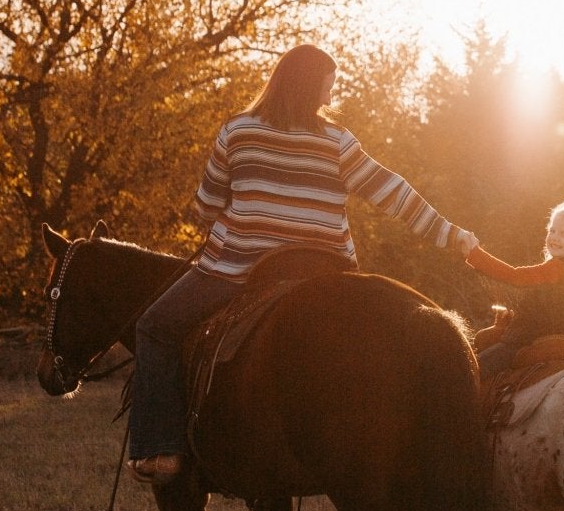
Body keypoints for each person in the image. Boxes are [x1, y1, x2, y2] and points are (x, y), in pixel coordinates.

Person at [127, 44, 481, 483]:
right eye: (326, 87)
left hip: (241, 268)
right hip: (324, 269)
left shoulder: (236, 131)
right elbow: (394, 193)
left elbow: (206, 206)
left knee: (154, 327)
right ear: (308, 87)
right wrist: (452, 235)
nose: (329, 97)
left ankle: (159, 450)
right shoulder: (338, 142)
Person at [462, 200, 564, 377]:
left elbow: (515, 277)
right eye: (552, 230)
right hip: (560, 347)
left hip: (527, 343)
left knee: (468, 373)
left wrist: (474, 254)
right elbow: (548, 311)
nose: (554, 237)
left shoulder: (557, 267)